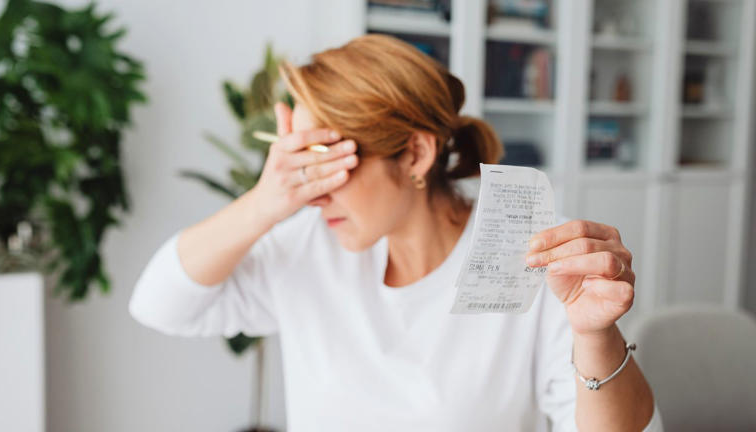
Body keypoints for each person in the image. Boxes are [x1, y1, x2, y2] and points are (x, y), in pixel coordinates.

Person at [130, 34, 662, 431]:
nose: (313, 195)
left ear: (414, 153)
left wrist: (595, 336)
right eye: (301, 168)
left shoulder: (530, 256)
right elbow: (159, 306)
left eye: (326, 164)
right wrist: (265, 202)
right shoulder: (309, 246)